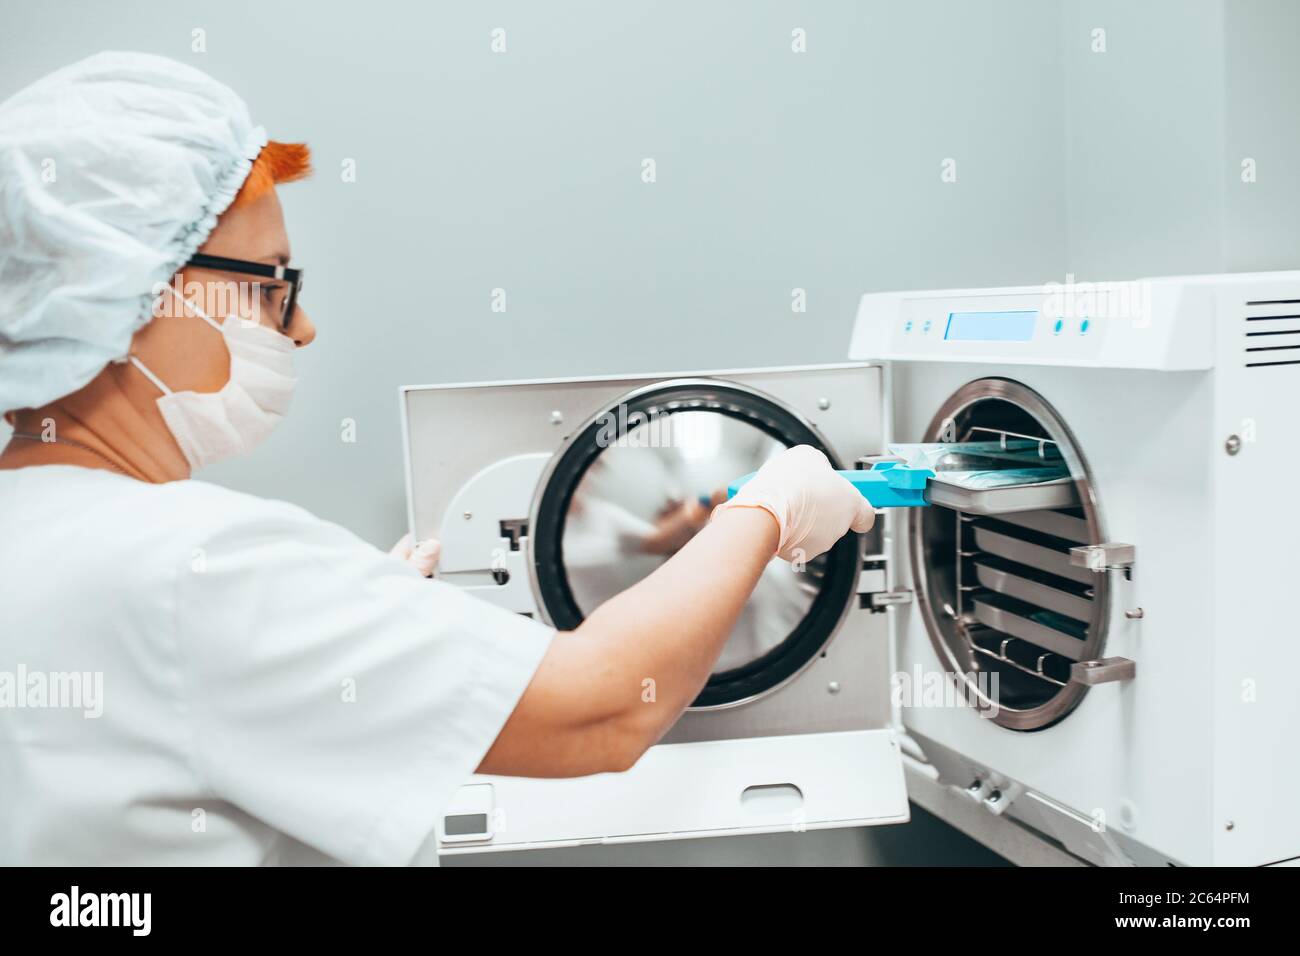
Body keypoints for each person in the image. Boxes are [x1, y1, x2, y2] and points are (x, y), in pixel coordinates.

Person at [0, 52, 874, 865]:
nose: (301, 327)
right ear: (135, 283)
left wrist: (348, 638)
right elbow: (604, 709)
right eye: (272, 281)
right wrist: (769, 507)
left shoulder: (47, 537)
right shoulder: (196, 572)